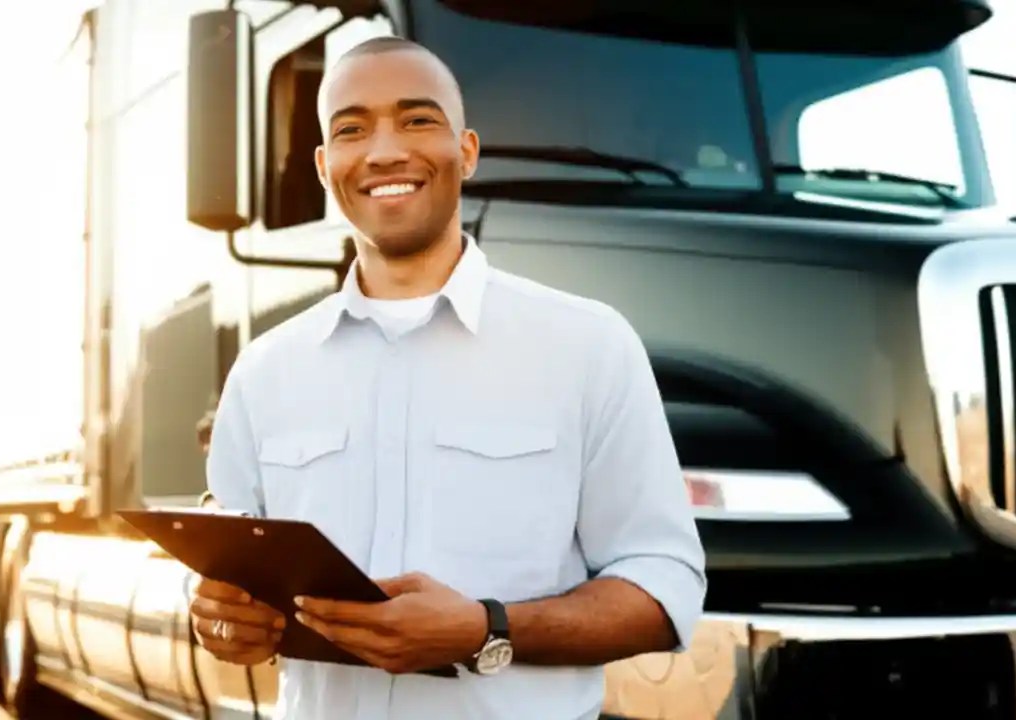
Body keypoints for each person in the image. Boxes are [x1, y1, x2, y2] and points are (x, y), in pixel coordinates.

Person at [188, 35, 706, 720]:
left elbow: (663, 588)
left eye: (416, 119)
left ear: (466, 150)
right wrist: (224, 622)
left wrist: (486, 629)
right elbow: (228, 588)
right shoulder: (263, 371)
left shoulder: (589, 345)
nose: (383, 151)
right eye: (351, 129)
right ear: (323, 166)